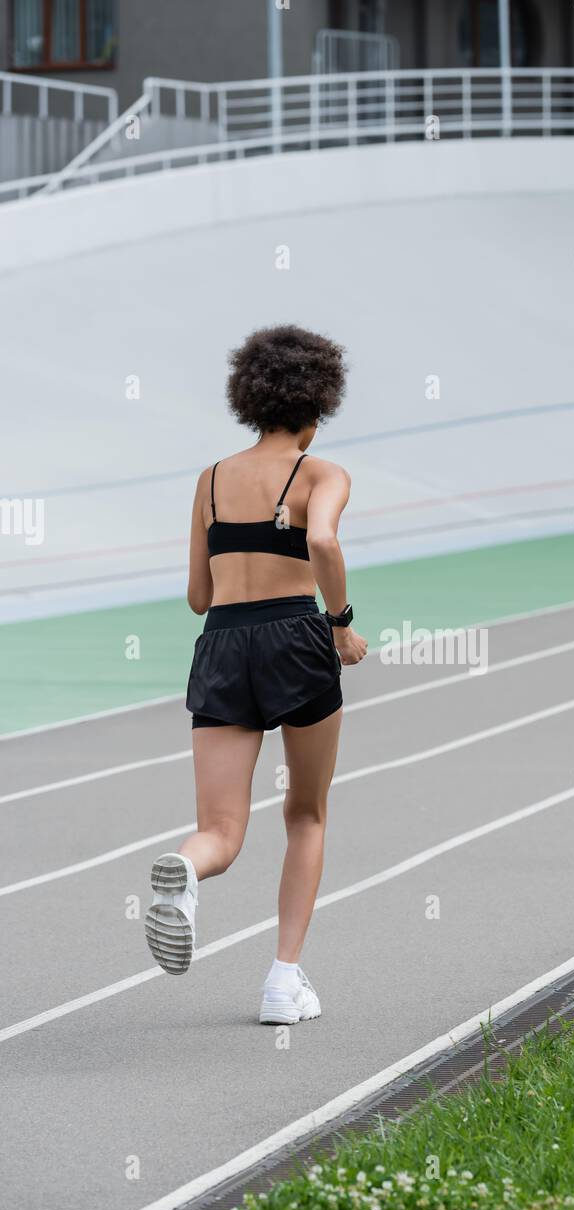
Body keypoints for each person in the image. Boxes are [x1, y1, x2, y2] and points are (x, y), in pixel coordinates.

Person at [144, 325, 367, 1024]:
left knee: (220, 829)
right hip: (298, 638)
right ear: (320, 402)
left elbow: (198, 597)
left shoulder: (210, 479)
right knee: (305, 813)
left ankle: (186, 870)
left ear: (249, 397)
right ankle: (281, 984)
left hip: (223, 644)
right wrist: (341, 621)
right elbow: (323, 539)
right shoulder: (322, 474)